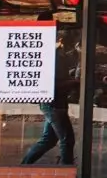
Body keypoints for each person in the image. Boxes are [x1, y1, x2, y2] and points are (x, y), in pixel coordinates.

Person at [21, 11, 78, 166]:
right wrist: (74, 82)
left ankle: (23, 167)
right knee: (67, 140)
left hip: (55, 101)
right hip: (53, 101)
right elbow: (51, 81)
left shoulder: (52, 49)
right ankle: (66, 174)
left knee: (49, 140)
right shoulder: (48, 51)